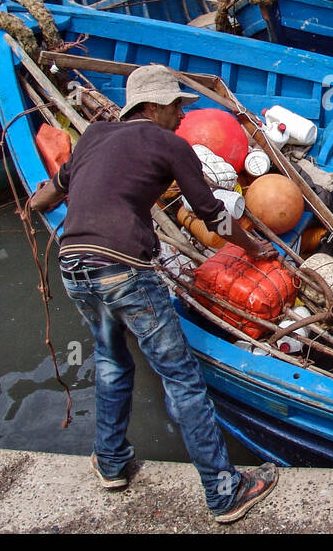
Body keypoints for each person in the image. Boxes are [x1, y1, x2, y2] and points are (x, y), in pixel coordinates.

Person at [26, 64, 279, 523]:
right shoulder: (171, 145)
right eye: (177, 107)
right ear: (155, 106)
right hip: (123, 270)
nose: (182, 116)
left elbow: (52, 193)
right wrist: (253, 246)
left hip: (74, 267)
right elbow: (212, 215)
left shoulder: (94, 137)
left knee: (110, 361)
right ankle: (225, 493)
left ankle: (112, 463)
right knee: (181, 378)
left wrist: (31, 206)